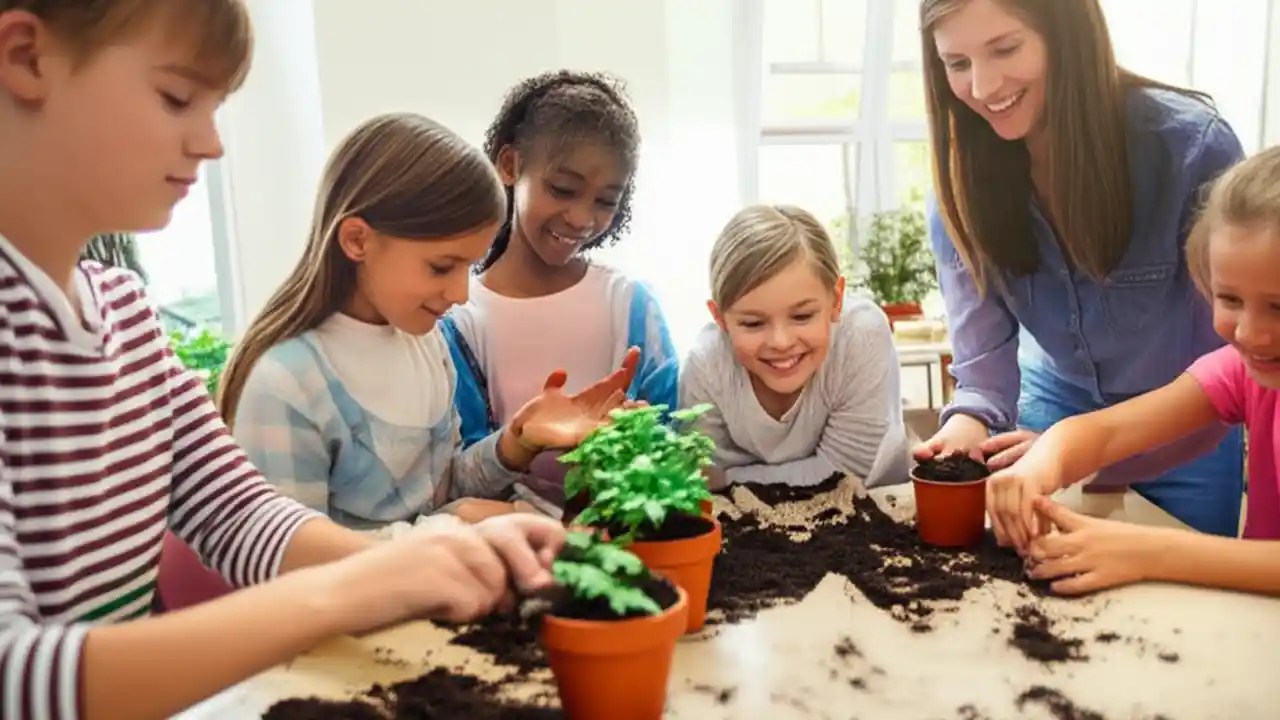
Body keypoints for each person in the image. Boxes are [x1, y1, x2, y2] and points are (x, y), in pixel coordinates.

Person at [0, 3, 568, 718]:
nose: (211, 144)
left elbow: (241, 516)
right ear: (26, 58)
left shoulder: (126, 314)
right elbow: (15, 676)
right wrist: (367, 582)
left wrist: (436, 563)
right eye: (177, 97)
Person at [914, 0, 1246, 536]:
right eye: (957, 63)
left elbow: (1230, 370)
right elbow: (982, 372)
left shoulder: (1189, 150)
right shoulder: (960, 184)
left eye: (1005, 48)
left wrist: (1081, 454)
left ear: (1065, 32)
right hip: (1050, 422)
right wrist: (965, 429)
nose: (982, 86)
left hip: (1184, 434)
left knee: (1180, 604)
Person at [218, 112, 640, 529]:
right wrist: (451, 531)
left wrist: (516, 442)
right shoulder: (287, 384)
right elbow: (296, 572)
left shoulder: (427, 344)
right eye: (441, 267)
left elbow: (443, 489)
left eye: (469, 268)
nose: (460, 295)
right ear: (357, 240)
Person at [989, 146, 1280, 597]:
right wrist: (1040, 466)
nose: (1249, 332)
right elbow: (1105, 434)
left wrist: (1143, 551)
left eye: (1278, 307)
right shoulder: (1242, 373)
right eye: (1230, 300)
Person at [440, 70, 678, 513]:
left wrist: (637, 442)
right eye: (563, 190)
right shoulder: (460, 319)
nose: (581, 218)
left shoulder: (631, 306)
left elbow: (673, 443)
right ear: (509, 166)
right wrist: (524, 441)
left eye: (606, 200)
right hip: (510, 536)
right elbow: (457, 481)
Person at [680, 205, 911, 489]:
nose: (781, 342)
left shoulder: (860, 336)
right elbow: (702, 477)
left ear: (836, 301)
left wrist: (731, 479)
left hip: (880, 505)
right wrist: (720, 481)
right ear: (719, 319)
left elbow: (842, 477)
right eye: (752, 323)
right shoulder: (706, 365)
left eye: (802, 316)